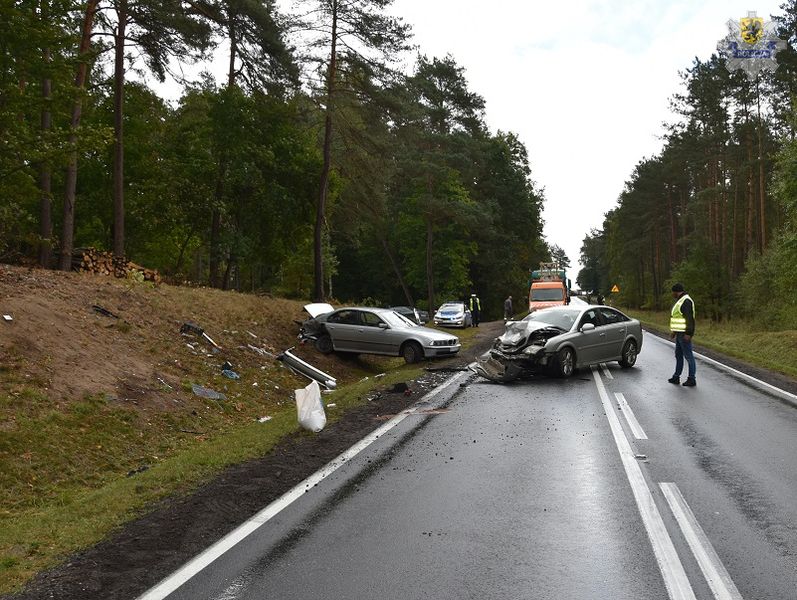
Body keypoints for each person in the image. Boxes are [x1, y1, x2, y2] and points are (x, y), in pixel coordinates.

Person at [668, 282, 696, 387]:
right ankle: (676, 377)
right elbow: (678, 318)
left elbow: (689, 319)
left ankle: (692, 379)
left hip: (684, 334)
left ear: (676, 292)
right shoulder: (680, 300)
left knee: (689, 356)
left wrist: (689, 333)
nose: (672, 294)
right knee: (678, 355)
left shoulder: (686, 301)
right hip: (679, 333)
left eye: (673, 292)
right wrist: (674, 332)